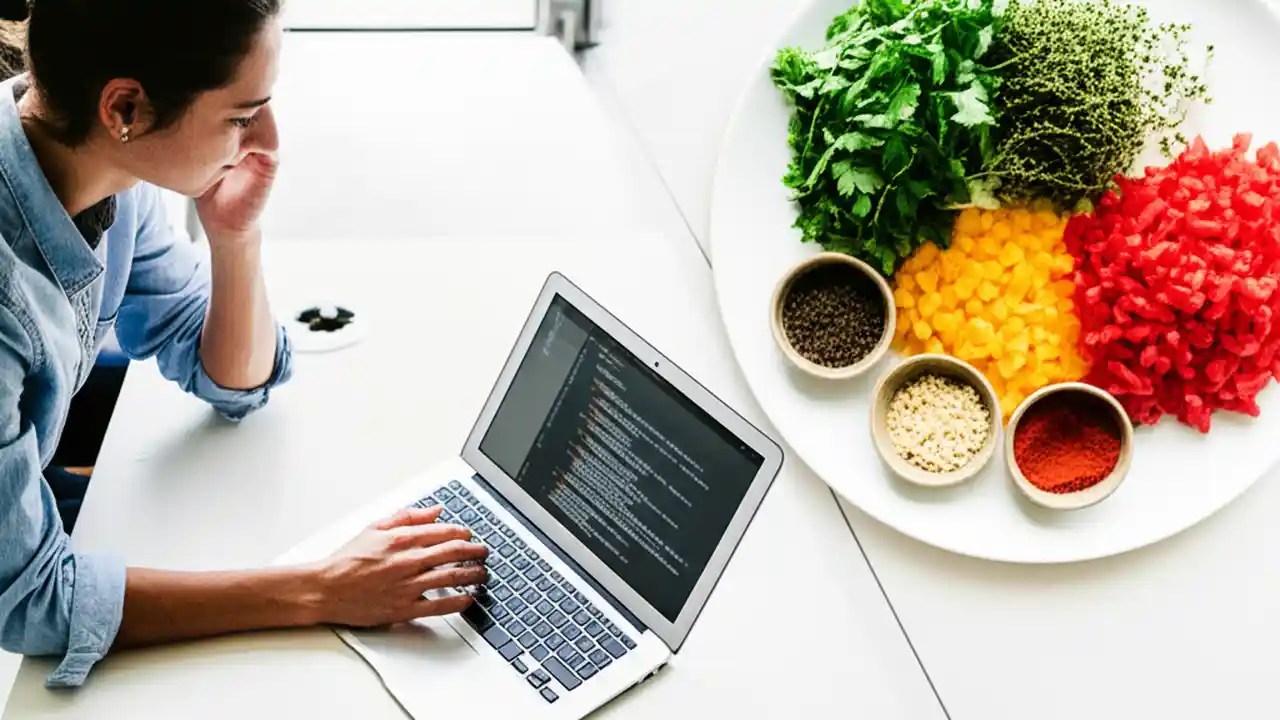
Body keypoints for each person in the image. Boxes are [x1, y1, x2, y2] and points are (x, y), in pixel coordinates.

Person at [0, 0, 487, 688]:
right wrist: (318, 590)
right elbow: (28, 600)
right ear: (126, 109)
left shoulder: (102, 161)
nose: (267, 139)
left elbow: (230, 378)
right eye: (240, 116)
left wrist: (235, 237)